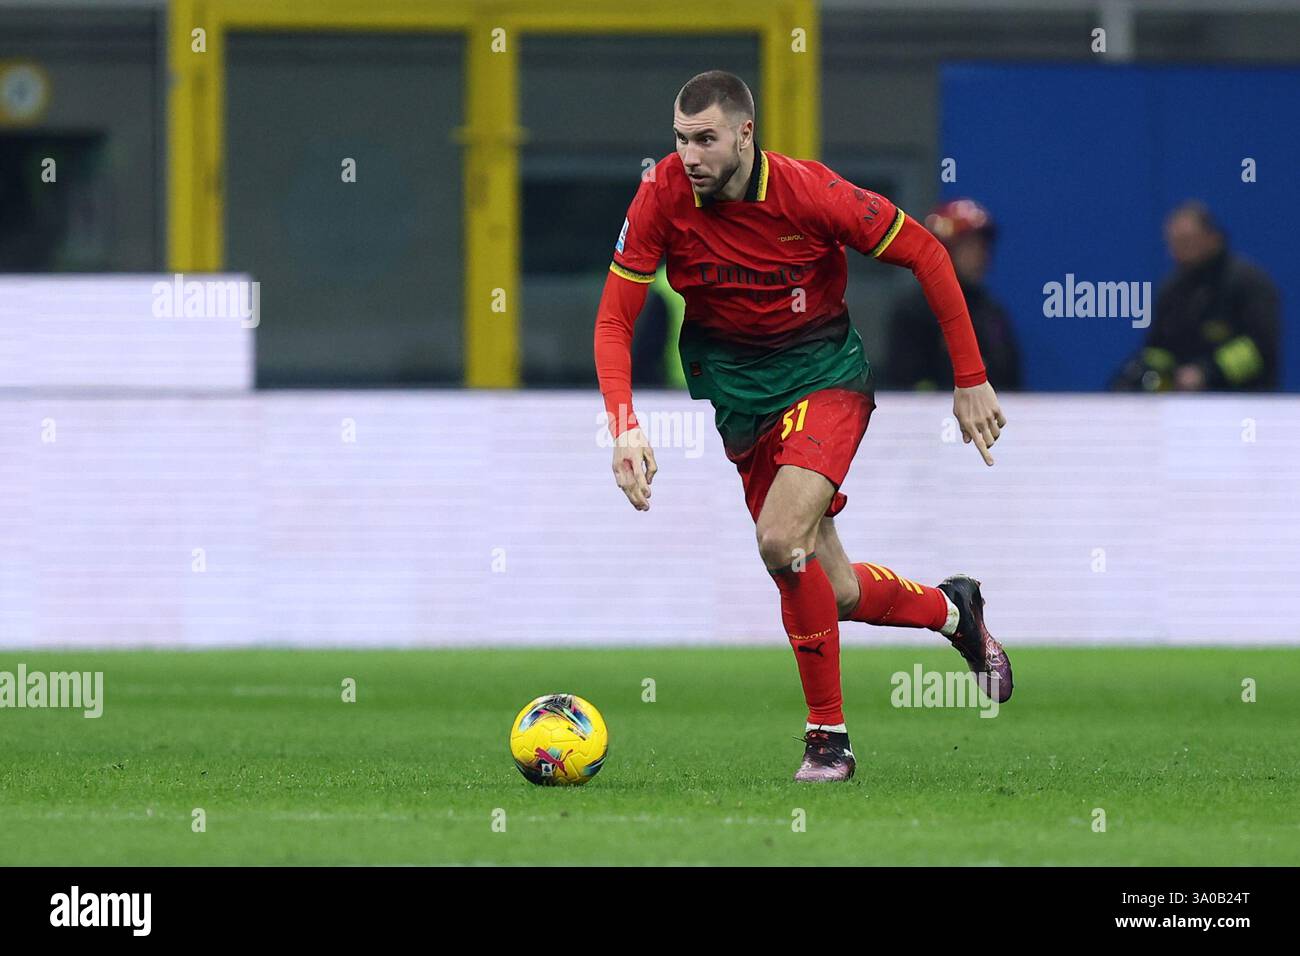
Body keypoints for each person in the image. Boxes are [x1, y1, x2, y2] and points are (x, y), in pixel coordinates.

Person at [593, 71, 1012, 783]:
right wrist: (624, 423)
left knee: (780, 539)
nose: (689, 156)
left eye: (705, 139)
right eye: (680, 139)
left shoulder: (810, 193)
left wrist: (969, 378)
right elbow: (614, 318)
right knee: (834, 587)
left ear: (745, 134)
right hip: (738, 397)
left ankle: (829, 742)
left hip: (824, 377)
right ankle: (953, 612)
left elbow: (928, 253)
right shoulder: (662, 193)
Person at [1112, 200, 1280, 392]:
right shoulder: (1172, 289)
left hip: (1245, 403)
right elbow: (1159, 347)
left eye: (1186, 240)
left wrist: (1205, 373)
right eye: (1172, 242)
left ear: (1212, 238)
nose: (1177, 250)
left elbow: (1258, 349)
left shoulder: (1249, 282)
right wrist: (1143, 370)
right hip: (1183, 407)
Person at [884, 199, 1021, 391]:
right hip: (929, 419)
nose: (980, 256)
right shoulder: (914, 311)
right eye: (969, 246)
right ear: (942, 250)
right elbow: (904, 385)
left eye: (982, 247)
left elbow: (1010, 381)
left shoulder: (991, 312)